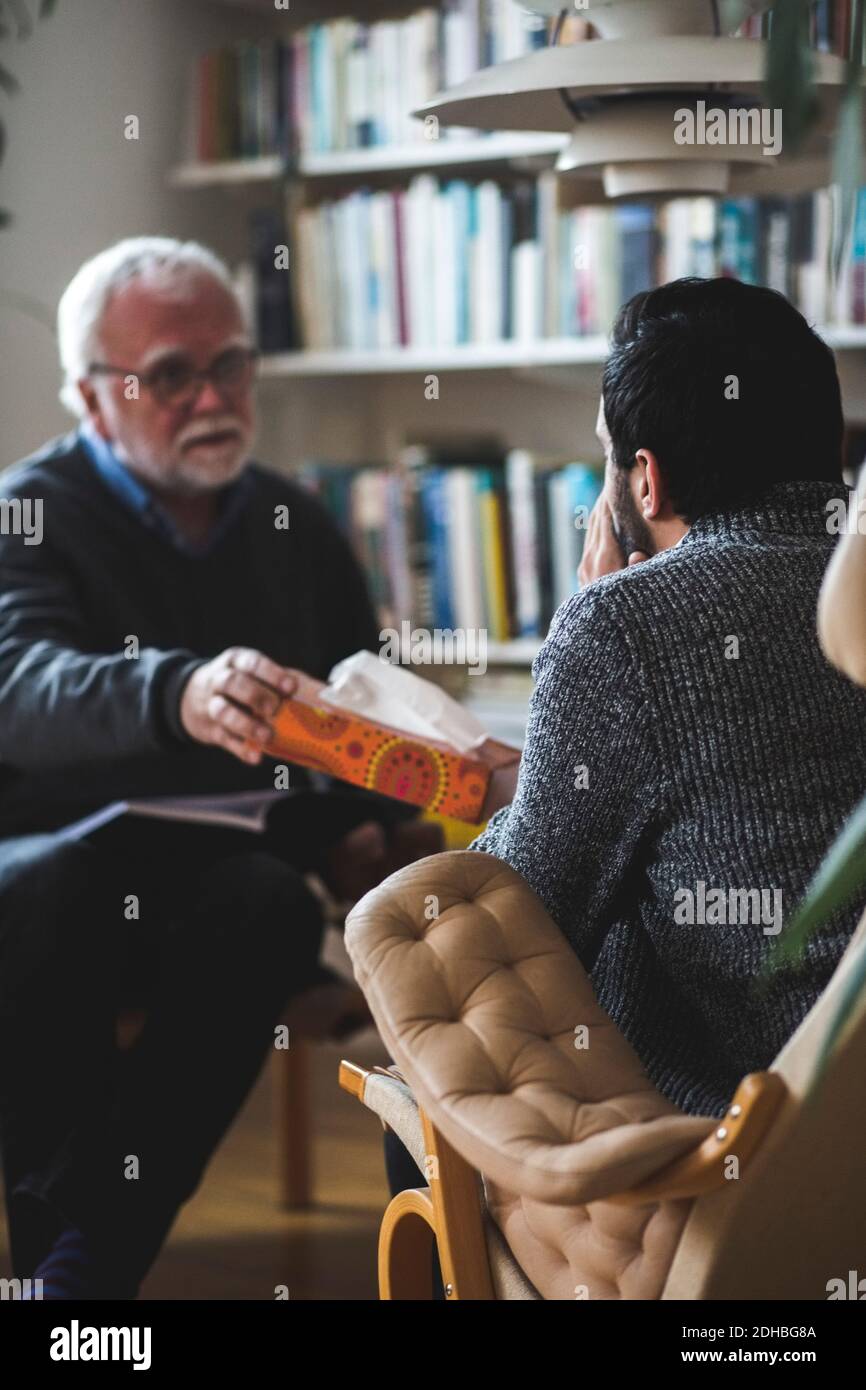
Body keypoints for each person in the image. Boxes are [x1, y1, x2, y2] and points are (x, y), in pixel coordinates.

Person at [0, 236, 438, 1300]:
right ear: (90, 396)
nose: (211, 397)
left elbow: (356, 710)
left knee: (268, 905)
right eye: (170, 375)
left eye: (229, 364)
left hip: (201, 889)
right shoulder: (28, 512)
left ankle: (77, 1276)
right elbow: (20, 686)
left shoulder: (296, 525)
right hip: (40, 876)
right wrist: (180, 694)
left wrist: (372, 828)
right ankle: (67, 1265)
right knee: (52, 890)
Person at [466, 275, 866, 1119]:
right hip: (834, 1111)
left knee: (426, 1104)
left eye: (607, 454)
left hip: (758, 1137)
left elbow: (519, 925)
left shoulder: (624, 626)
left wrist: (594, 618)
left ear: (645, 479)